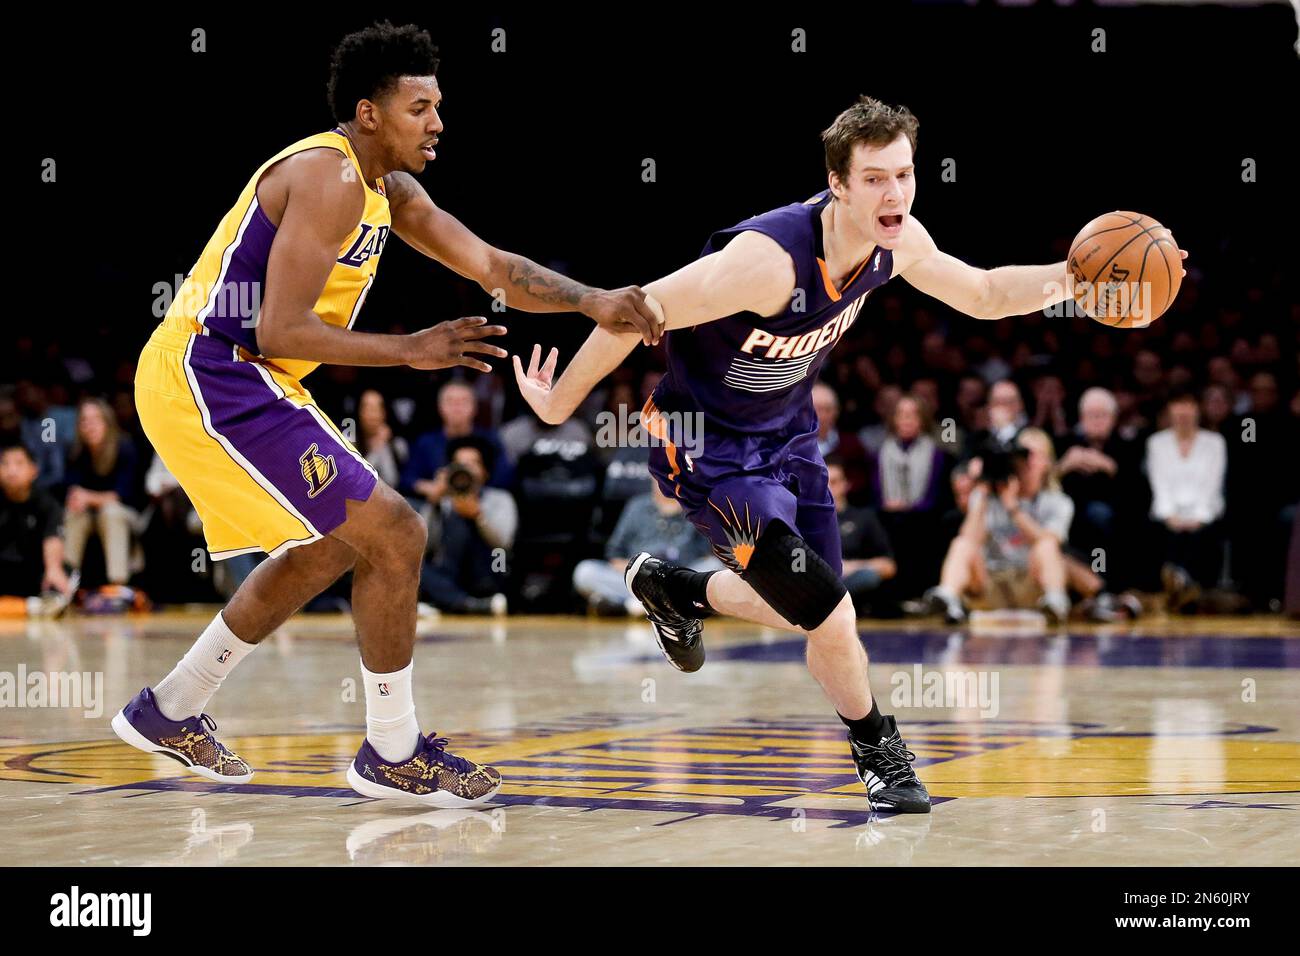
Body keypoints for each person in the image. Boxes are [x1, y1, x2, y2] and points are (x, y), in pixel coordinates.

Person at [510, 96, 1184, 812]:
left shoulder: (897, 242)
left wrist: (1074, 278)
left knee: (823, 614)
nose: (895, 194)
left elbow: (984, 293)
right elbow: (636, 308)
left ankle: (679, 589)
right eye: (874, 179)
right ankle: (880, 752)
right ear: (837, 183)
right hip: (709, 450)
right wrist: (559, 404)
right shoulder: (765, 263)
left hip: (791, 438)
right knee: (830, 612)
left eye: (905, 174)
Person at [111, 22, 659, 807]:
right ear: (369, 113)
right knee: (397, 530)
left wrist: (593, 302)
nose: (438, 123)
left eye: (438, 106)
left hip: (246, 376)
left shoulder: (388, 190)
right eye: (421, 106)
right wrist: (413, 349)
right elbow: (281, 328)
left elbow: (494, 268)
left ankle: (170, 708)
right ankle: (392, 751)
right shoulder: (328, 175)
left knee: (339, 545)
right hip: (211, 369)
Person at [925, 429, 1077, 625]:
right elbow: (970, 538)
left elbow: (1049, 541)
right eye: (1022, 454)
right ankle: (947, 596)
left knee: (1047, 545)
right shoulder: (987, 496)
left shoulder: (1059, 502)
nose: (1026, 462)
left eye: (1034, 455)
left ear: (1047, 463)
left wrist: (1012, 507)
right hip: (990, 583)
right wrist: (981, 494)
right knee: (962, 543)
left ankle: (1056, 603)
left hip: (1029, 583)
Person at [572, 482, 720, 615]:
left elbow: (707, 555)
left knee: (715, 567)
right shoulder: (637, 506)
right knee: (584, 571)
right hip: (638, 577)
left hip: (677, 579)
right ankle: (663, 605)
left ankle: (632, 605)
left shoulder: (696, 508)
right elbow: (615, 553)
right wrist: (632, 569)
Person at [1145, 388, 1228, 604]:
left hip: (1205, 513)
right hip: (1168, 514)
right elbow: (1159, 484)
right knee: (1168, 533)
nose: (1183, 411)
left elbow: (1212, 485)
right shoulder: (1156, 443)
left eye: (1188, 404)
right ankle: (1176, 586)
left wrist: (1199, 518)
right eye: (1177, 404)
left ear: (1198, 409)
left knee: (1199, 535)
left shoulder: (1215, 443)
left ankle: (1187, 586)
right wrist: (1170, 516)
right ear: (1169, 409)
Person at [418, 435, 516, 615]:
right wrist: (433, 503)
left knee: (498, 554)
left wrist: (478, 516)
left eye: (472, 464)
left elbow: (504, 544)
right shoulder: (444, 502)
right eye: (459, 464)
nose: (465, 469)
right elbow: (422, 546)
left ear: (485, 471)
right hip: (450, 573)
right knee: (410, 565)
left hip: (487, 572)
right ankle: (466, 603)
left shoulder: (500, 499)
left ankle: (445, 600)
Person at [63, 398, 141, 588]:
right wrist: (76, 499)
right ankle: (66, 584)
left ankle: (118, 585)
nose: (90, 426)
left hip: (127, 514)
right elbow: (72, 491)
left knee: (111, 512)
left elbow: (123, 495)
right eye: (84, 421)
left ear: (107, 421)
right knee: (73, 514)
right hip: (90, 515)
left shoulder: (125, 447)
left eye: (95, 419)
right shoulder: (77, 452)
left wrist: (87, 497)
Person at [0, 444, 72, 611]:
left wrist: (53, 568)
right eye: (5, 464)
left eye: (18, 464)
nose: (11, 471)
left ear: (34, 470)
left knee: (63, 575)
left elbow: (53, 537)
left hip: (33, 572)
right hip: (3, 570)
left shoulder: (47, 504)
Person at [826, 456, 896, 616]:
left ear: (846, 485)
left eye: (834, 482)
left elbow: (888, 566)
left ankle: (826, 606)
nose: (828, 488)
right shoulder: (806, 519)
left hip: (848, 582)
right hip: (815, 581)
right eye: (823, 482)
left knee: (868, 576)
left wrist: (848, 567)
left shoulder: (864, 518)